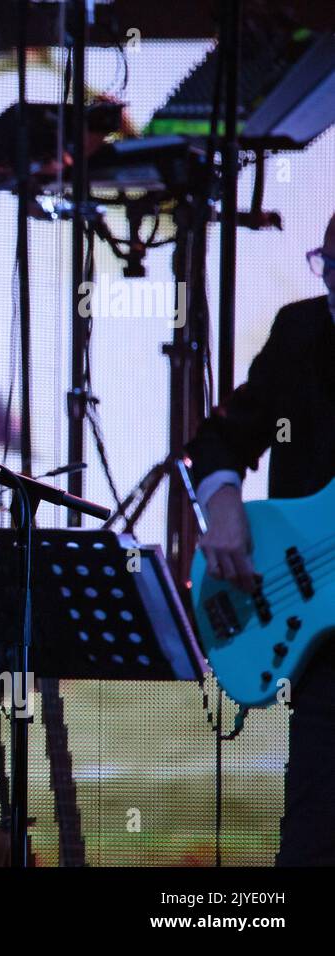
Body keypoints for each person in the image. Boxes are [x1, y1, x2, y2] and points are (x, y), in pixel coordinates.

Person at [187, 211, 335, 866]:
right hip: (325, 654)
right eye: (329, 268)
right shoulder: (302, 332)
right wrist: (223, 505)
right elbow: (221, 435)